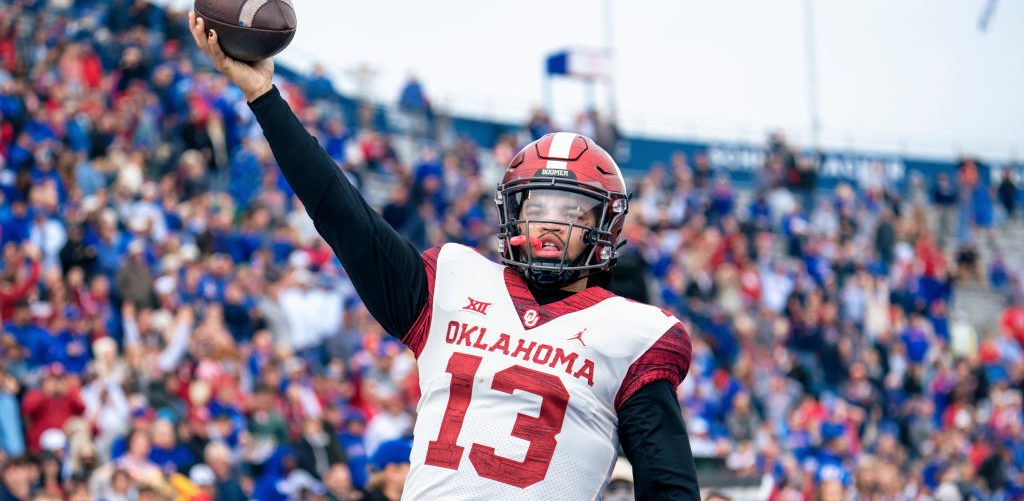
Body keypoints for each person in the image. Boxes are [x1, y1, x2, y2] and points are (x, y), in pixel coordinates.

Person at [188, 12, 699, 500]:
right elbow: (343, 217)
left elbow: (670, 490)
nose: (549, 223)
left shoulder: (632, 334)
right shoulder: (455, 281)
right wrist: (264, 97)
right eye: (536, 205)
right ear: (512, 213)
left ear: (603, 224)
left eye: (573, 210)